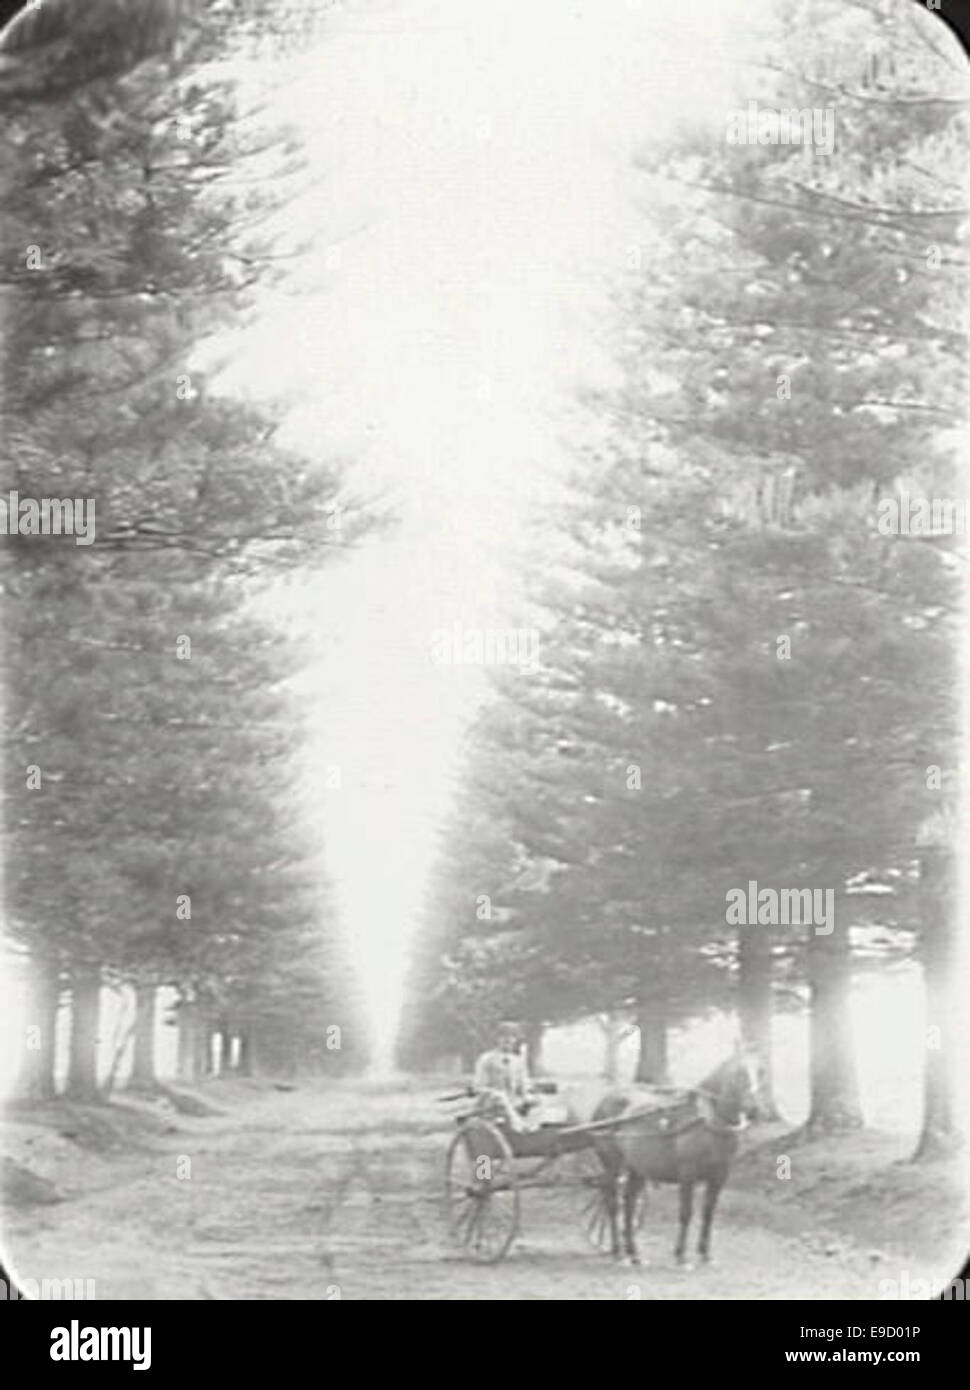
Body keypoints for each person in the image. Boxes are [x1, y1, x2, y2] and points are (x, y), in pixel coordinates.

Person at [471, 1021, 537, 1130]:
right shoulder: (487, 1059)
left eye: (512, 1036)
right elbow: (479, 1087)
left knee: (537, 1101)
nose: (508, 1040)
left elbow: (524, 1085)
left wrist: (528, 1096)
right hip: (491, 1104)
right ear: (497, 1039)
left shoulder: (518, 1061)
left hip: (513, 1102)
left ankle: (534, 1130)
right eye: (503, 1036)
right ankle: (520, 1128)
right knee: (501, 1097)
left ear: (516, 1040)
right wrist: (496, 1093)